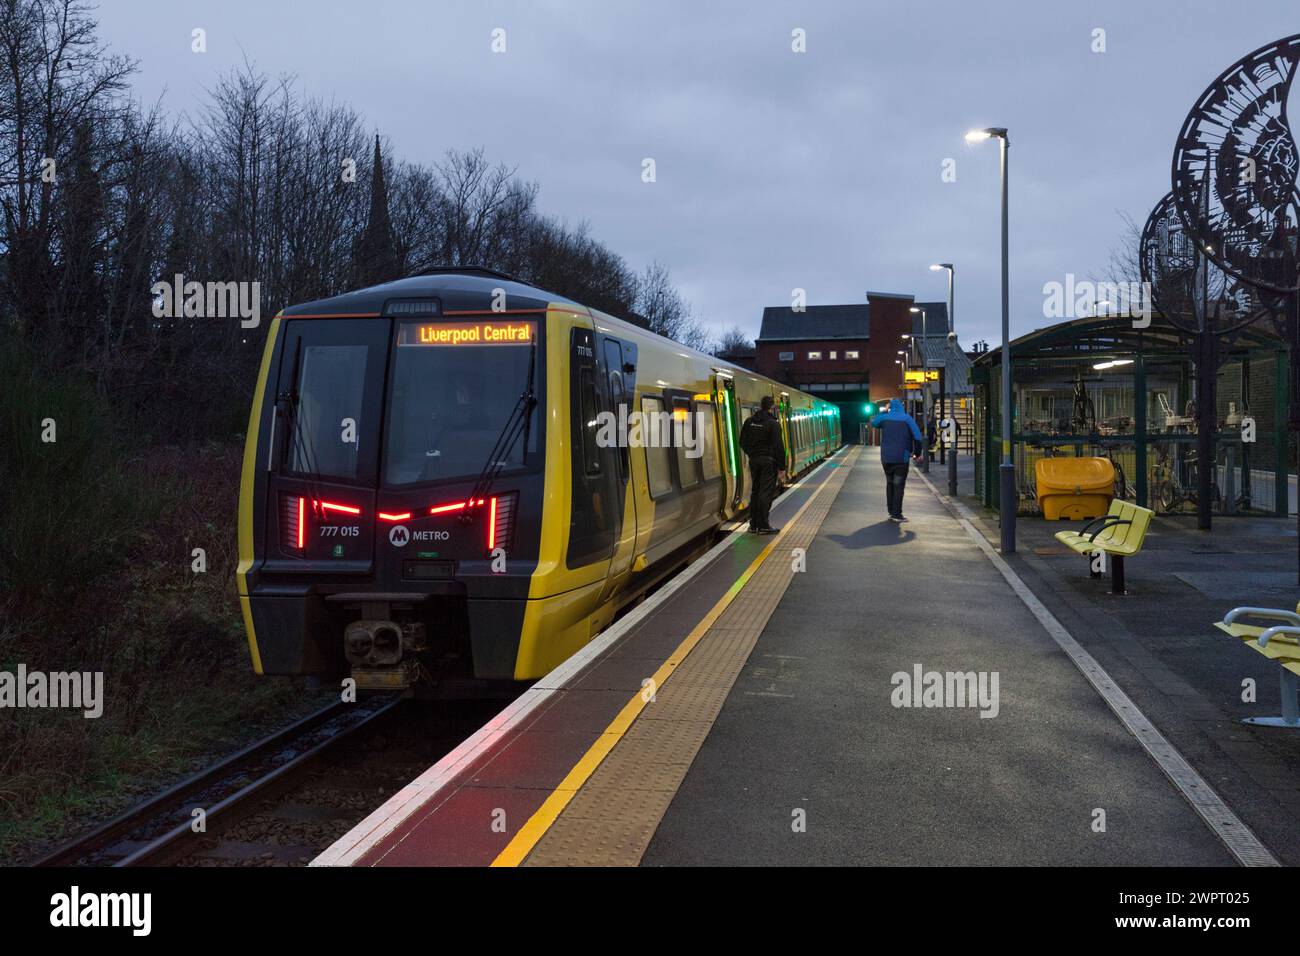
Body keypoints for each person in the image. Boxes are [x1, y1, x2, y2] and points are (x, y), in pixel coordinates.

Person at [740, 395, 787, 533]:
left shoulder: (749, 422)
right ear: (772, 407)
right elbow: (779, 446)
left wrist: (752, 454)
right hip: (768, 462)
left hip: (754, 461)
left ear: (761, 406)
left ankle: (753, 525)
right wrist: (782, 467)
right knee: (765, 493)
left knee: (755, 491)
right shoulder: (773, 424)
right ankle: (763, 525)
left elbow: (742, 441)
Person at [869, 398, 923, 521]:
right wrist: (917, 453)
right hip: (901, 458)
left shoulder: (885, 418)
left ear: (890, 407)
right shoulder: (907, 418)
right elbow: (918, 437)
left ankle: (891, 511)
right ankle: (896, 514)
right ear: (902, 407)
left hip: (886, 458)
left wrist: (884, 411)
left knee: (890, 483)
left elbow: (873, 422)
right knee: (898, 485)